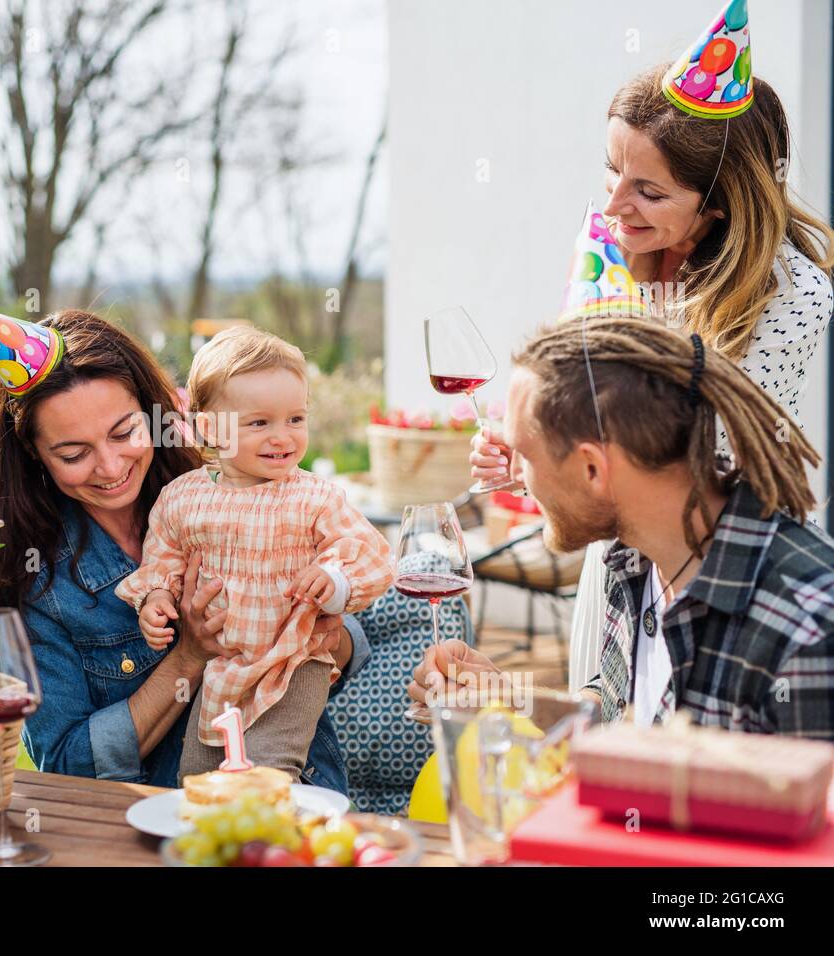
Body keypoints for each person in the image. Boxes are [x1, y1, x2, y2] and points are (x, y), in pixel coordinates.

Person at [470, 12, 834, 691]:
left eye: (649, 191)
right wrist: (527, 451)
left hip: (727, 569)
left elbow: (694, 447)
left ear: (721, 205)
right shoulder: (613, 251)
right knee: (613, 744)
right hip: (622, 557)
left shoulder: (792, 293)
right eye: (613, 172)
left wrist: (561, 443)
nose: (614, 206)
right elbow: (579, 406)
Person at [0, 305, 372, 791]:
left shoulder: (222, 481)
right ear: (33, 455)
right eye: (74, 453)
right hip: (165, 817)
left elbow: (350, 638)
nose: (110, 466)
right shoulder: (36, 578)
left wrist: (321, 621)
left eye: (125, 432)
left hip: (302, 792)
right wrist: (189, 655)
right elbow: (67, 765)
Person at [413, 318, 834, 738]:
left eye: (523, 455)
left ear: (593, 468)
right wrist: (505, 700)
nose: (515, 475)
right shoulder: (636, 553)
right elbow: (620, 716)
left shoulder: (809, 630)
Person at [116, 327, 393, 783]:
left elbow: (368, 554)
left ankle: (269, 845)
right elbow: (162, 557)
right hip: (219, 667)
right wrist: (155, 600)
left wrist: (335, 580)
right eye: (259, 423)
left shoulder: (313, 498)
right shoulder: (182, 498)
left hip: (293, 657)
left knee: (268, 771)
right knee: (199, 777)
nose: (282, 437)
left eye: (296, 420)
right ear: (209, 429)